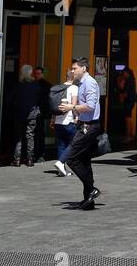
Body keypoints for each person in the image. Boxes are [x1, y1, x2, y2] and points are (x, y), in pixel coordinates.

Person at [60, 58, 103, 209]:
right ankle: (89, 200)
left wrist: (72, 107)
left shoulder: (89, 83)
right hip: (84, 124)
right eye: (72, 69)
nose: (72, 71)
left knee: (72, 158)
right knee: (84, 161)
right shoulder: (82, 83)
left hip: (89, 127)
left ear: (83, 68)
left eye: (74, 68)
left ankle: (92, 190)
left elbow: (90, 106)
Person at [11, 64, 43, 167]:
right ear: (30, 73)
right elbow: (39, 99)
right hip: (32, 114)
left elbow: (10, 99)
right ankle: (30, 159)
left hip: (19, 113)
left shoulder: (18, 85)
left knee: (19, 136)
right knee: (30, 135)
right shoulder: (35, 85)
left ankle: (17, 160)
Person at [53, 68, 79, 177]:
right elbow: (73, 105)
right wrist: (76, 117)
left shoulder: (60, 88)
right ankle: (60, 162)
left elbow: (55, 105)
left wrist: (53, 119)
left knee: (61, 145)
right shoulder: (74, 88)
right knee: (73, 144)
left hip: (58, 121)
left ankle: (61, 170)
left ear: (66, 76)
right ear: (74, 77)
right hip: (68, 121)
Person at [32, 65, 51, 160]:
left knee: (40, 133)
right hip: (36, 112)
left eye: (39, 74)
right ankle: (37, 153)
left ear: (42, 74)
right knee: (36, 133)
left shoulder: (46, 85)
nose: (37, 75)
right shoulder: (33, 84)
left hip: (41, 112)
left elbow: (48, 100)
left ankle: (40, 153)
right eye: (36, 74)